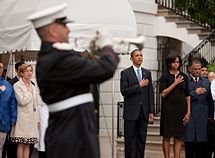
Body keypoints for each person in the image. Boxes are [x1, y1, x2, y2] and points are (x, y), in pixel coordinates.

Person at [27, 3, 119, 158]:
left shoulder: (54, 56)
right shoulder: (59, 59)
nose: (68, 29)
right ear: (53, 30)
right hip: (73, 135)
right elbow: (105, 69)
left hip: (71, 131)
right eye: (64, 25)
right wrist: (107, 47)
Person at [120, 49, 155, 158]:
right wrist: (139, 86)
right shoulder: (125, 73)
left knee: (141, 139)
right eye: (137, 56)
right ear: (131, 58)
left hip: (143, 112)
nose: (140, 57)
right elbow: (124, 91)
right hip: (131, 112)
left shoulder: (147, 73)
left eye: (141, 55)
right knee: (130, 140)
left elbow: (150, 93)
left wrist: (151, 111)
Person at [159, 52, 190, 158]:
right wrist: (175, 83)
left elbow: (188, 95)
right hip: (168, 110)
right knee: (166, 136)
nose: (176, 64)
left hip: (181, 110)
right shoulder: (164, 76)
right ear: (169, 64)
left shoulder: (184, 76)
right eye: (174, 62)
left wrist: (188, 112)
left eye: (178, 62)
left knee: (178, 137)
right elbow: (163, 93)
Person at [183, 60, 213, 158]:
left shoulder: (207, 82)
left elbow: (210, 100)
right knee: (190, 145)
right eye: (194, 69)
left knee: (202, 147)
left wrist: (211, 116)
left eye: (199, 69)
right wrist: (195, 92)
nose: (197, 71)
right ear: (190, 69)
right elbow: (182, 98)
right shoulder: (185, 81)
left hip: (203, 118)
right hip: (190, 117)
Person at [10, 64, 40, 158]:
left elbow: (36, 104)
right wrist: (29, 92)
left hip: (32, 119)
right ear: (22, 73)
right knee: (21, 144)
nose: (29, 73)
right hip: (22, 119)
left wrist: (38, 119)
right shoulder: (17, 85)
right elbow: (22, 101)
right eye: (27, 71)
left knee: (28, 144)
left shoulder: (32, 85)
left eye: (31, 71)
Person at [0, 62, 17, 158]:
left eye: (1, 68)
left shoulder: (8, 85)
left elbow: (12, 103)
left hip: (4, 121)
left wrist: (13, 118)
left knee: (1, 146)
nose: (0, 70)